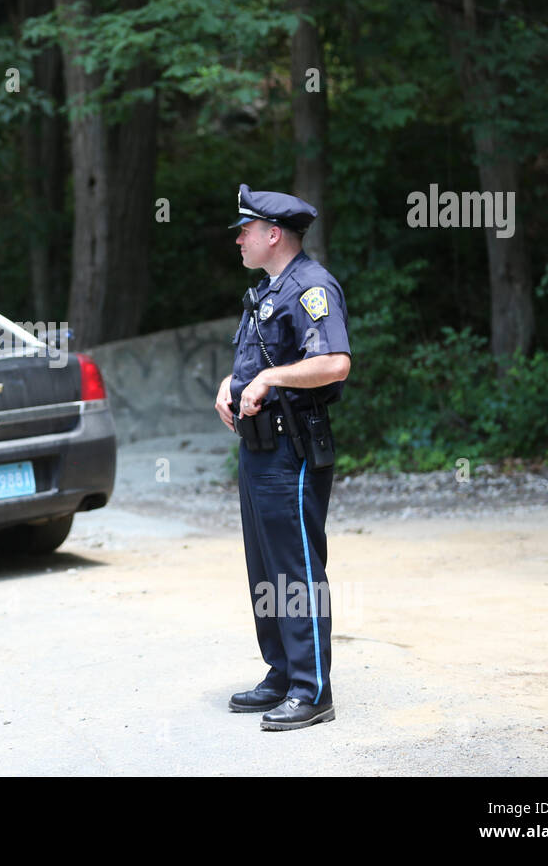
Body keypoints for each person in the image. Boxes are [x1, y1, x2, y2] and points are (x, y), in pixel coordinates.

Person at [214, 184, 352, 732]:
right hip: (258, 449)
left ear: (274, 234)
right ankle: (281, 671)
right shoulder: (267, 290)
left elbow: (335, 362)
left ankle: (312, 688)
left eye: (244, 231)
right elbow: (261, 361)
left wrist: (269, 378)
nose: (239, 241)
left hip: (291, 449)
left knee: (294, 569)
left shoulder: (311, 288)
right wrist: (231, 383)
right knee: (265, 568)